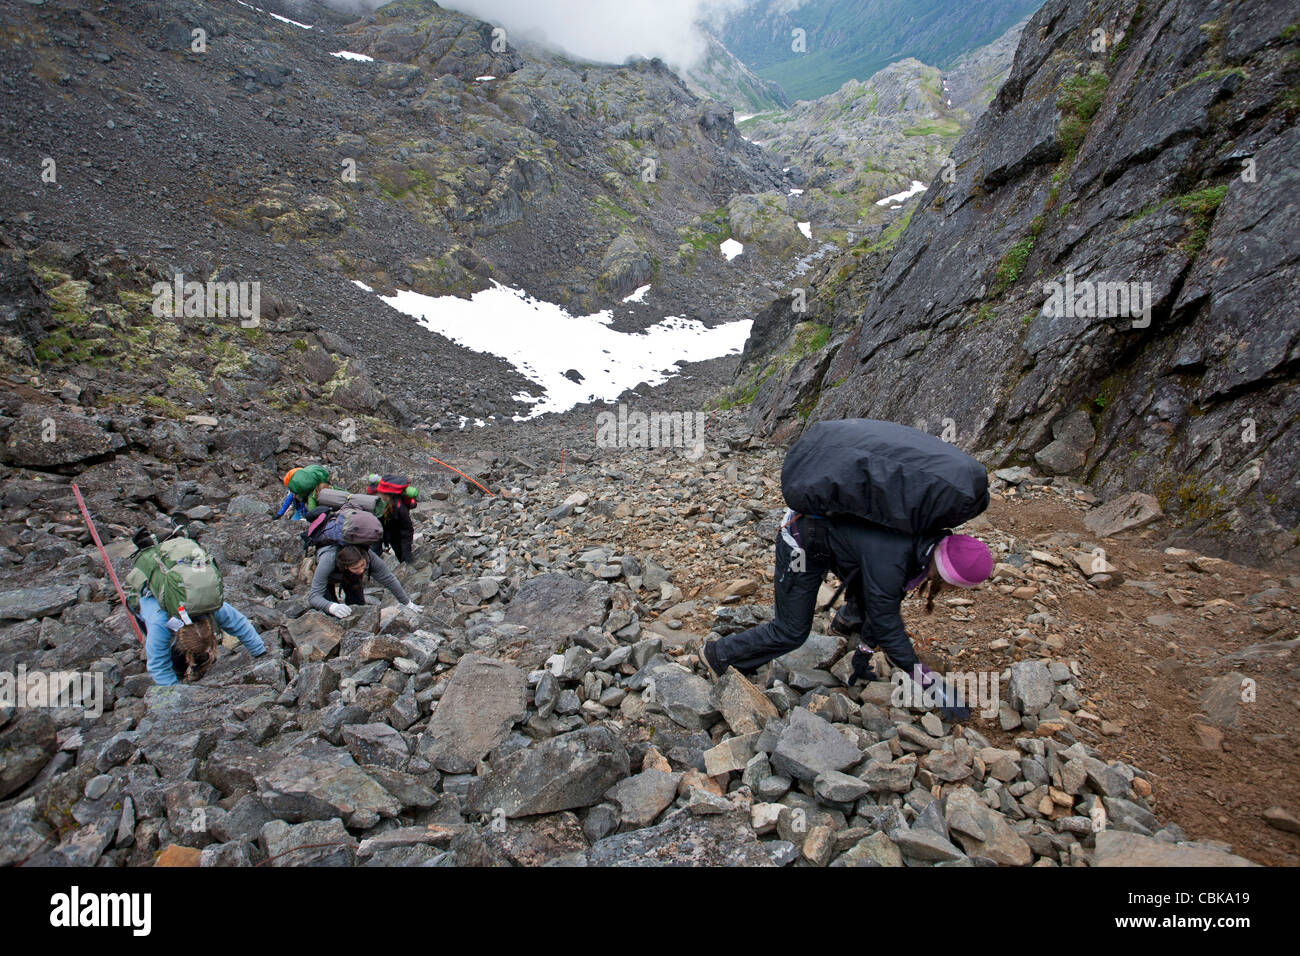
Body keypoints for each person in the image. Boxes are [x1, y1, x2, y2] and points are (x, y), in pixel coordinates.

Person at [700, 513, 993, 719]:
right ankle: (719, 654)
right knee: (791, 630)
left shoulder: (924, 545)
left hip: (836, 545)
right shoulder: (895, 561)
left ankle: (843, 623)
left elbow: (886, 603)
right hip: (801, 544)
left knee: (870, 596)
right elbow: (889, 626)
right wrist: (930, 683)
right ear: (946, 572)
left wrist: (864, 652)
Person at [138, 590, 266, 686]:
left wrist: (259, 651)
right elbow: (158, 665)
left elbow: (239, 624)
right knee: (169, 655)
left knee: (200, 652)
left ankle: (198, 665)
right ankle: (179, 672)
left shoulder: (210, 606)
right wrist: (175, 692)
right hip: (150, 602)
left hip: (188, 599)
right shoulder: (160, 624)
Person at [310, 543, 422, 619]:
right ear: (345, 566)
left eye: (363, 566)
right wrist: (330, 606)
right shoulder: (327, 560)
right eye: (356, 568)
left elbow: (389, 579)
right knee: (329, 611)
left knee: (357, 607)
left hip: (351, 577)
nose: (360, 570)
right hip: (330, 577)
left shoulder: (369, 556)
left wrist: (407, 603)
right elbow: (314, 596)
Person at [365, 474, 417, 564]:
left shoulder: (399, 508)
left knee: (401, 554)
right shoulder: (374, 501)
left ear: (387, 495)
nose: (377, 497)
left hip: (394, 533)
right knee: (373, 552)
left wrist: (407, 552)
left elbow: (407, 530)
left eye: (379, 494)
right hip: (377, 530)